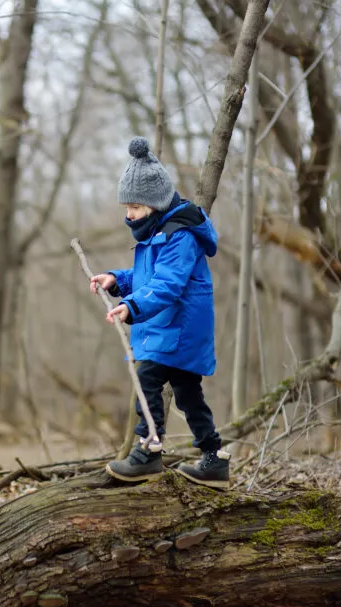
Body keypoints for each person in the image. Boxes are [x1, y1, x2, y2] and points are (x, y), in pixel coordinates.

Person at [89, 136, 229, 489]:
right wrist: (116, 280)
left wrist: (131, 307)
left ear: (153, 204)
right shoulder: (157, 234)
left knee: (147, 377)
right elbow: (146, 277)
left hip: (178, 328)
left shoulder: (179, 236)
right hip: (167, 326)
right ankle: (213, 457)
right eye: (127, 206)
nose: (128, 215)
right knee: (187, 393)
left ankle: (150, 449)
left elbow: (167, 285)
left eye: (134, 207)